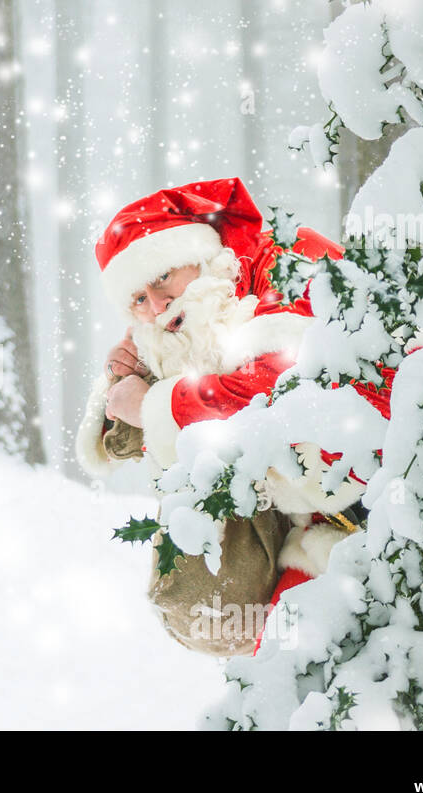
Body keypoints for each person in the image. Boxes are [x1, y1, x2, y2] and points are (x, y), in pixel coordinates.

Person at [75, 178, 388, 656]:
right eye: (139, 299)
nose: (158, 306)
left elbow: (282, 382)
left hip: (403, 492)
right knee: (281, 654)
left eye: (162, 279)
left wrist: (156, 405)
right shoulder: (200, 312)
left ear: (199, 254)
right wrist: (127, 379)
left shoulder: (285, 262)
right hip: (328, 522)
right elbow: (144, 428)